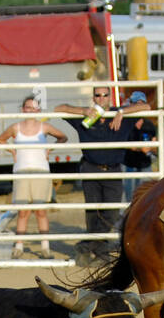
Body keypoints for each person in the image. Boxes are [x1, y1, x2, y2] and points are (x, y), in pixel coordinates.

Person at [55, 87, 149, 261]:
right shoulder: (85, 116)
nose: (101, 98)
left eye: (105, 95)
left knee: (111, 213)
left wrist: (121, 112)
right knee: (93, 212)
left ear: (110, 97)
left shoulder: (119, 114)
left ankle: (88, 246)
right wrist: (84, 111)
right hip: (90, 168)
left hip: (113, 169)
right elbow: (59, 108)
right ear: (93, 98)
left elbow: (146, 107)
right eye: (98, 95)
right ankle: (98, 251)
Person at [0, 94, 66, 258]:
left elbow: (63, 137)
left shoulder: (44, 127)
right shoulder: (16, 127)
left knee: (41, 211)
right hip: (21, 171)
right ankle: (19, 246)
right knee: (23, 212)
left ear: (38, 110)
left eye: (34, 108)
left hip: (41, 171)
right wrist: (12, 151)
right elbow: (1, 140)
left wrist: (50, 149)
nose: (31, 110)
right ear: (23, 109)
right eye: (28, 107)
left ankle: (45, 247)